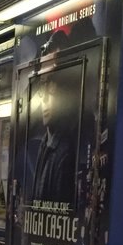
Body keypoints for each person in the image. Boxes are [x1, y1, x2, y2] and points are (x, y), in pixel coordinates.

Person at [29, 75, 75, 208]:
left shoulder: (64, 151)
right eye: (43, 94)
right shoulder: (44, 145)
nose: (45, 101)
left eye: (52, 93)